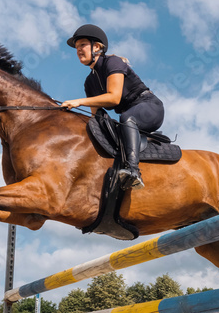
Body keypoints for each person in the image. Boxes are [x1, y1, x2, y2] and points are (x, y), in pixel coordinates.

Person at [60, 24, 164, 189]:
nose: (78, 50)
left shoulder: (112, 62)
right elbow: (96, 117)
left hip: (150, 106)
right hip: (129, 113)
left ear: (97, 47)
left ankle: (133, 172)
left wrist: (78, 101)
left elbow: (114, 98)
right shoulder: (89, 82)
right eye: (76, 47)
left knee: (126, 119)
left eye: (82, 45)